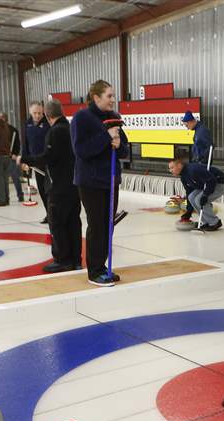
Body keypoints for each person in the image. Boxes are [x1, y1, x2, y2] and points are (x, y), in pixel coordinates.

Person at [70, 80, 129, 287]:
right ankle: (94, 270)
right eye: (109, 96)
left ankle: (102, 266)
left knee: (108, 225)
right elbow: (81, 150)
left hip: (111, 180)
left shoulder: (115, 118)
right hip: (90, 181)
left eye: (113, 96)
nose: (113, 99)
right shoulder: (82, 118)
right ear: (96, 98)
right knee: (97, 225)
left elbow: (125, 152)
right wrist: (106, 138)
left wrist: (119, 143)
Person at [19, 99, 81, 273]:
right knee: (73, 222)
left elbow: (48, 156)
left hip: (59, 185)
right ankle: (76, 259)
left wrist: (25, 159)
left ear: (47, 115)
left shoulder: (55, 132)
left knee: (58, 223)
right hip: (74, 184)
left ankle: (62, 259)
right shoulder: (70, 128)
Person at [168, 155, 224, 232]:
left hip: (219, 183)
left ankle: (215, 222)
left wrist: (205, 195)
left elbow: (211, 181)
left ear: (179, 165)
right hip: (205, 185)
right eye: (170, 168)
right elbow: (189, 192)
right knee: (191, 197)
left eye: (172, 167)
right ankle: (206, 222)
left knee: (199, 200)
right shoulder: (183, 177)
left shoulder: (193, 170)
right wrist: (189, 211)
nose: (170, 170)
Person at [24, 102, 51, 224]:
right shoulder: (27, 124)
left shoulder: (48, 123)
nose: (37, 115)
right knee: (41, 190)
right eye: (35, 113)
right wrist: (25, 161)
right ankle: (48, 214)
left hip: (48, 162)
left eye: (40, 113)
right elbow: (25, 144)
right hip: (35, 163)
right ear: (30, 112)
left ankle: (53, 214)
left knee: (49, 190)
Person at [2, 112, 24, 204]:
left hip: (11, 157)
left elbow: (17, 144)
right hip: (2, 157)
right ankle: (6, 198)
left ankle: (20, 195)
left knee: (15, 177)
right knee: (4, 179)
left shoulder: (13, 130)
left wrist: (15, 154)